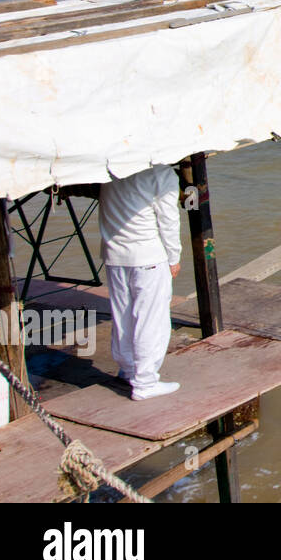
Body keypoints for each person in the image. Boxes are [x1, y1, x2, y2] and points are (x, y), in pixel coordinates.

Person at [97, 166, 182, 401]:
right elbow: (168, 220)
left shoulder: (111, 168)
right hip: (148, 256)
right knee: (151, 319)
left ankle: (128, 369)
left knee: (123, 315)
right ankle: (145, 382)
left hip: (114, 255)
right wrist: (174, 257)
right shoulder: (161, 173)